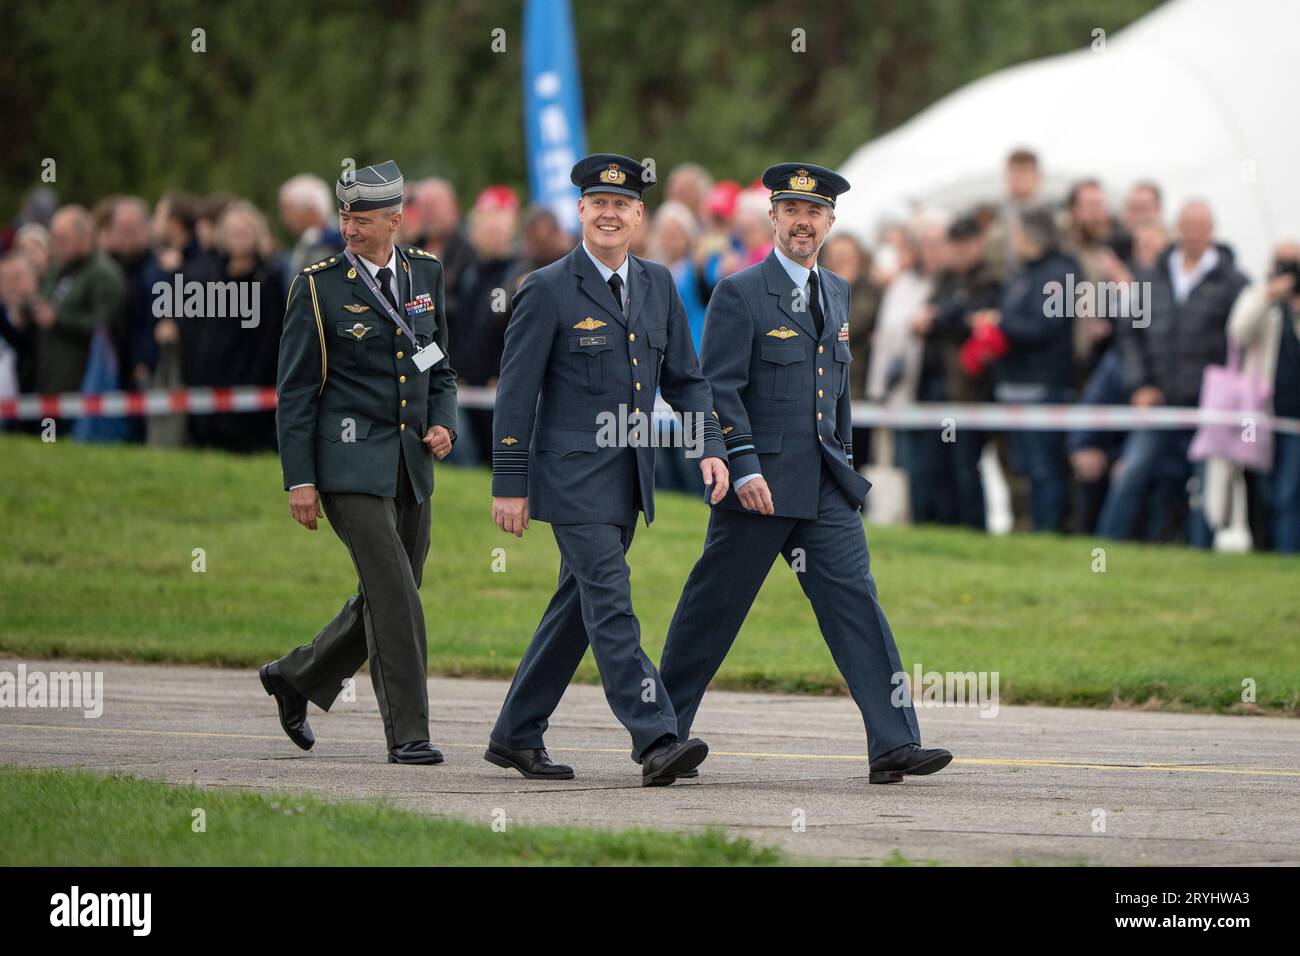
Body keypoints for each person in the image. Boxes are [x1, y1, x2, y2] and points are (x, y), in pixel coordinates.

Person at [657, 163, 951, 785]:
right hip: (758, 486)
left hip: (823, 484)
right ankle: (660, 736)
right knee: (712, 612)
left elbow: (836, 387)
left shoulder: (837, 291)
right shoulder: (740, 292)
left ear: (830, 221)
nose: (803, 221)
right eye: (792, 210)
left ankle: (894, 743)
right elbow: (718, 390)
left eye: (814, 212)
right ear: (773, 217)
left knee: (857, 606)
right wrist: (741, 464)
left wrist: (843, 456)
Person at [485, 153, 729, 787]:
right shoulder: (546, 288)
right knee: (612, 602)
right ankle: (655, 737)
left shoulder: (657, 284)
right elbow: (515, 395)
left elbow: (688, 382)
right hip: (568, 480)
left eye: (622, 205)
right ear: (582, 212)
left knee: (577, 609)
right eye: (599, 203)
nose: (610, 213)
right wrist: (510, 485)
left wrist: (708, 445)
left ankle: (515, 733)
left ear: (639, 215)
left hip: (628, 480)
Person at [262, 160, 459, 765]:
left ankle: (295, 677)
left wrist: (443, 419)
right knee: (395, 594)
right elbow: (295, 390)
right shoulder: (317, 283)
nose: (350, 228)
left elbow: (438, 365)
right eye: (345, 217)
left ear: (396, 221)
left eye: (363, 219)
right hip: (346, 464)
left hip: (408, 464)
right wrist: (299, 478)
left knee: (393, 588)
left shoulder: (425, 272)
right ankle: (409, 735)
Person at [1100, 200, 1249, 545]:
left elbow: (1244, 341)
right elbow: (1129, 336)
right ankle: (1105, 547)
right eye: (1188, 226)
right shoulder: (1151, 277)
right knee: (1134, 471)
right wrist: (1140, 385)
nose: (1194, 233)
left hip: (1209, 404)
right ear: (1178, 228)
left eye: (1202, 226)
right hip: (1159, 400)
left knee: (1207, 483)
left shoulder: (1232, 281)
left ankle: (1201, 553)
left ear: (1212, 230)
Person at [991, 206, 1079, 532]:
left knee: (1046, 469)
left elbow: (1047, 327)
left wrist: (1001, 324)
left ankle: (1049, 533)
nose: (1014, 240)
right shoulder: (1023, 273)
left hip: (1044, 385)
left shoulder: (1061, 273)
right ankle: (1033, 531)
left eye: (1018, 233)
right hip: (1014, 383)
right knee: (1026, 467)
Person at [1227, 242, 1300, 552]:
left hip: (1294, 421)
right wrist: (1270, 294)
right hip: (1257, 414)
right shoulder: (1258, 296)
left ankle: (1286, 554)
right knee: (1260, 488)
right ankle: (1263, 550)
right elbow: (1238, 332)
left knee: (1288, 492)